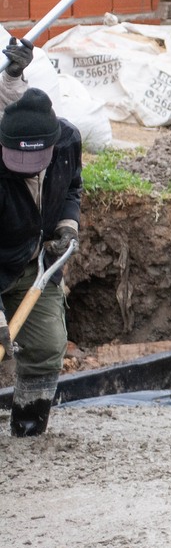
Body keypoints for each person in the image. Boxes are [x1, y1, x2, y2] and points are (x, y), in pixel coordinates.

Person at [2, 36, 82, 439]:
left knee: (48, 344)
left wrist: (68, 223)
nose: (27, 169)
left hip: (33, 262)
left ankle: (28, 428)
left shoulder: (68, 142)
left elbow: (71, 190)